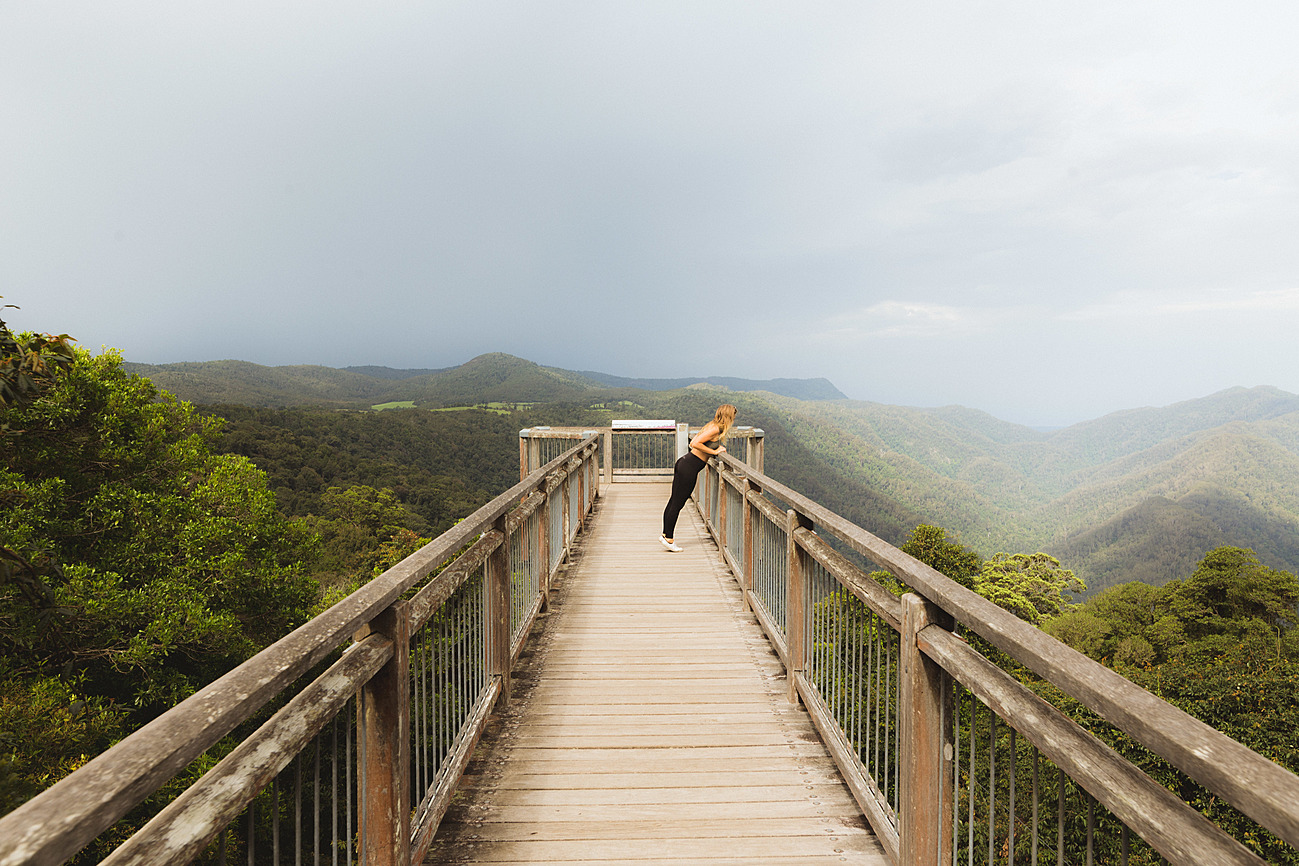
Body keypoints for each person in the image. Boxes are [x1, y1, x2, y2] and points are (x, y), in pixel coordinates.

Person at [661, 404, 737, 551]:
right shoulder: (716, 428)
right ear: (728, 416)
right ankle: (668, 538)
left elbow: (697, 439)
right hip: (688, 467)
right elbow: (694, 443)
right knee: (677, 503)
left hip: (685, 464)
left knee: (674, 501)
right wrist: (714, 452)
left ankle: (666, 535)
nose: (734, 419)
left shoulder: (712, 425)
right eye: (733, 416)